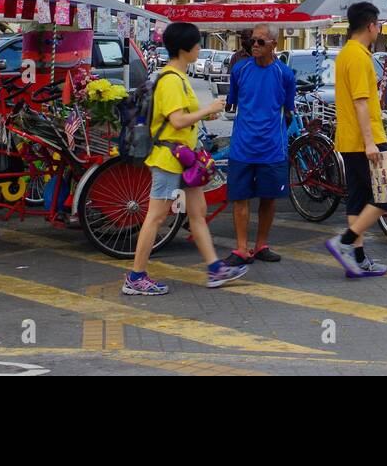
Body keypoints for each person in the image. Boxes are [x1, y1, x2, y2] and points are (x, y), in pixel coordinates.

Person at [125, 21, 245, 295]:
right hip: (169, 158)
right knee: (155, 217)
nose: (200, 49)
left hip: (185, 158)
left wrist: (205, 113)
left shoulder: (178, 78)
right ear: (185, 48)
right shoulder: (170, 80)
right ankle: (136, 276)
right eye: (197, 44)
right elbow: (177, 121)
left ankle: (215, 269)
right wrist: (208, 110)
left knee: (197, 213)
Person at [324, 1, 387, 278]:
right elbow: (361, 103)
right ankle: (343, 243)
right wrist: (370, 142)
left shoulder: (346, 54)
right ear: (371, 25)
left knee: (358, 200)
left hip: (349, 140)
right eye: (379, 25)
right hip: (367, 140)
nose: (379, 30)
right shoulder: (358, 57)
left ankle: (357, 260)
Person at [221, 23, 295, 267]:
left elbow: (287, 109)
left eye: (260, 42)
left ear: (274, 44)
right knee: (240, 198)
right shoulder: (240, 70)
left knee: (269, 198)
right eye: (252, 41)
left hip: (272, 147)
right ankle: (242, 248)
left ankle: (261, 244)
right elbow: (232, 102)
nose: (254, 45)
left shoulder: (285, 74)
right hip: (242, 145)